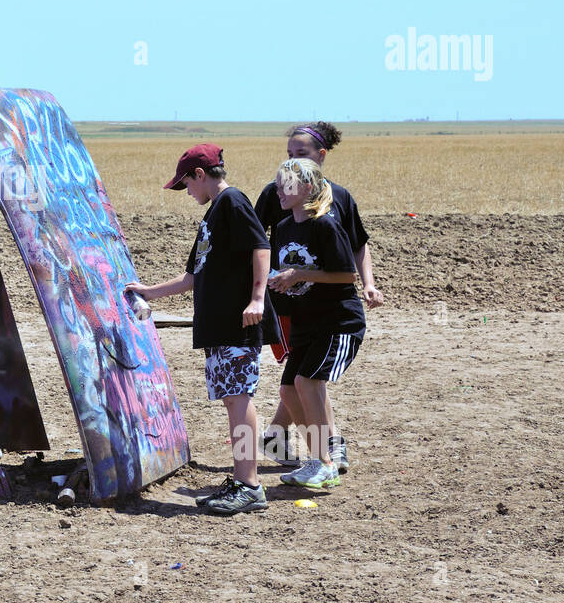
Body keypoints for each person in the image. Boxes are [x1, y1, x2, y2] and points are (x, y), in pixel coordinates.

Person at [126, 143, 280, 515]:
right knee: (232, 398)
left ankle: (249, 484)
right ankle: (244, 480)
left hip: (239, 322)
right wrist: (150, 292)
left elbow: (261, 248)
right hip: (219, 326)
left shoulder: (233, 202)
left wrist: (257, 299)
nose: (188, 192)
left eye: (187, 184)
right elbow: (193, 276)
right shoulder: (214, 213)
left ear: (200, 174)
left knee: (239, 398)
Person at [254, 122, 381, 473]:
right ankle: (305, 446)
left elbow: (355, 247)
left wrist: (368, 284)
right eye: (289, 154)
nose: (291, 161)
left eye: (301, 155)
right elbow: (255, 242)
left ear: (319, 157)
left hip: (329, 311)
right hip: (289, 308)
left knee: (307, 380)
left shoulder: (336, 201)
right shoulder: (277, 197)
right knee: (298, 381)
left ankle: (319, 451)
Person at [267, 158, 366, 491]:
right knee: (288, 388)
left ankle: (325, 464)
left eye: (286, 184)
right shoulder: (282, 228)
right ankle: (318, 459)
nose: (279, 190)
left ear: (306, 188)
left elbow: (346, 274)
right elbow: (284, 272)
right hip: (306, 322)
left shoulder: (324, 225)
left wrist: (300, 274)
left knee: (307, 383)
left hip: (337, 321)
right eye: (278, 184)